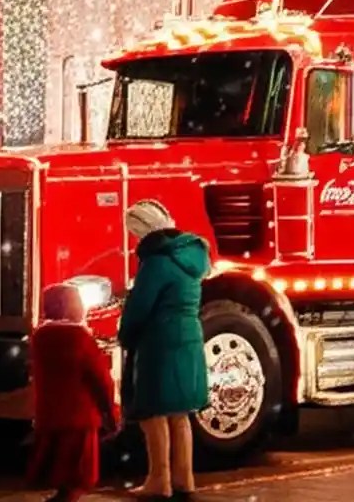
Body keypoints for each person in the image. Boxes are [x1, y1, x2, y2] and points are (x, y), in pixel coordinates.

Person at [118, 200, 210, 498]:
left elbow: (140, 308)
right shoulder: (188, 257)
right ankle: (185, 478)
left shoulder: (157, 262)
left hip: (160, 342)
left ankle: (160, 479)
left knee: (153, 412)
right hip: (188, 337)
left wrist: (125, 334)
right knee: (180, 413)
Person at [29, 284, 118, 502]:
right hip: (80, 416)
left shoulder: (40, 336)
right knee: (77, 472)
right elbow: (100, 378)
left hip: (50, 413)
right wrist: (110, 411)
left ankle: (61, 494)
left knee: (57, 463)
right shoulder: (79, 337)